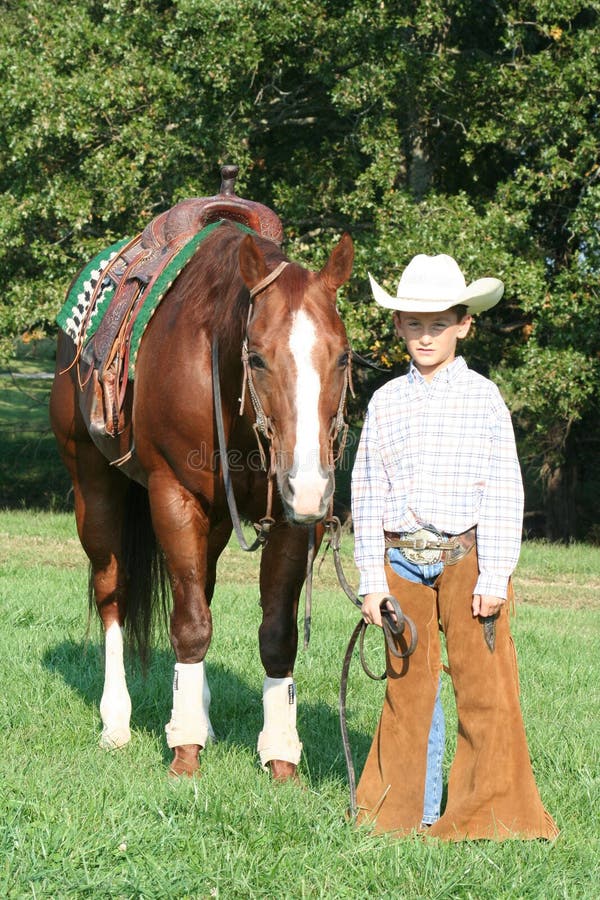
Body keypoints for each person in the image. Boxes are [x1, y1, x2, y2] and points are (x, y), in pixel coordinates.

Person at [351, 253, 558, 840]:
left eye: (438, 323)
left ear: (464, 324)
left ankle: (489, 815)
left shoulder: (484, 399)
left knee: (486, 685)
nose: (425, 336)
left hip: (466, 557)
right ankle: (399, 815)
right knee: (407, 691)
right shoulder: (386, 402)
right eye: (413, 323)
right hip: (400, 560)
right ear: (398, 327)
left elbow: (501, 490)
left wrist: (496, 575)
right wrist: (371, 578)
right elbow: (367, 493)